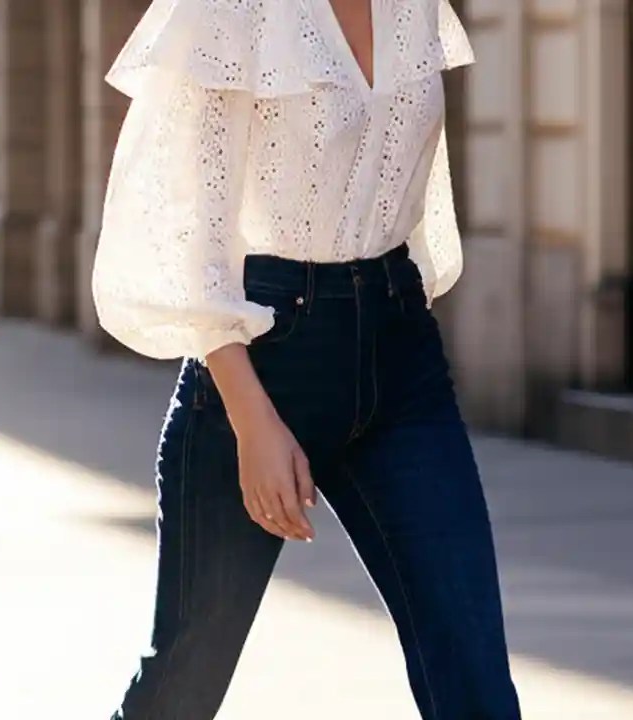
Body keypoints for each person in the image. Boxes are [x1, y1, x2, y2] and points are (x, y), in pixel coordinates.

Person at [92, 0, 523, 717]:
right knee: (181, 689)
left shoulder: (414, 8)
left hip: (400, 356)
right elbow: (190, 232)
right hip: (265, 355)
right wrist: (252, 423)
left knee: (475, 682)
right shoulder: (232, 11)